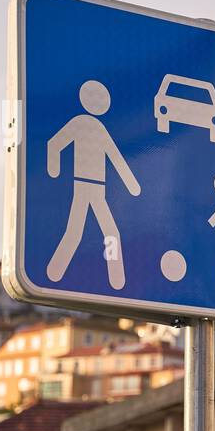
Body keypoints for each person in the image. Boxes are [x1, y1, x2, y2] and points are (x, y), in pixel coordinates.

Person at [46, 80, 141, 290]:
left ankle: (116, 279)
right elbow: (54, 144)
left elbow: (115, 157)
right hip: (83, 186)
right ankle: (54, 272)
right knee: (79, 232)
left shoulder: (99, 128)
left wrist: (132, 184)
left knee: (108, 232)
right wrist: (54, 169)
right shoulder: (80, 123)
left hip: (99, 188)